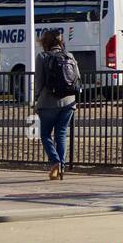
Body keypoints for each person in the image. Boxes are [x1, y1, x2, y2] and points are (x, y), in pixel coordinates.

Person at [34, 30, 79, 180]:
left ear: (45, 42)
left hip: (48, 102)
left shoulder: (42, 57)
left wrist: (36, 99)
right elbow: (77, 78)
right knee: (61, 133)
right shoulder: (69, 56)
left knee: (45, 134)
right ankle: (61, 168)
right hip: (69, 102)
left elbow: (39, 82)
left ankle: (55, 162)